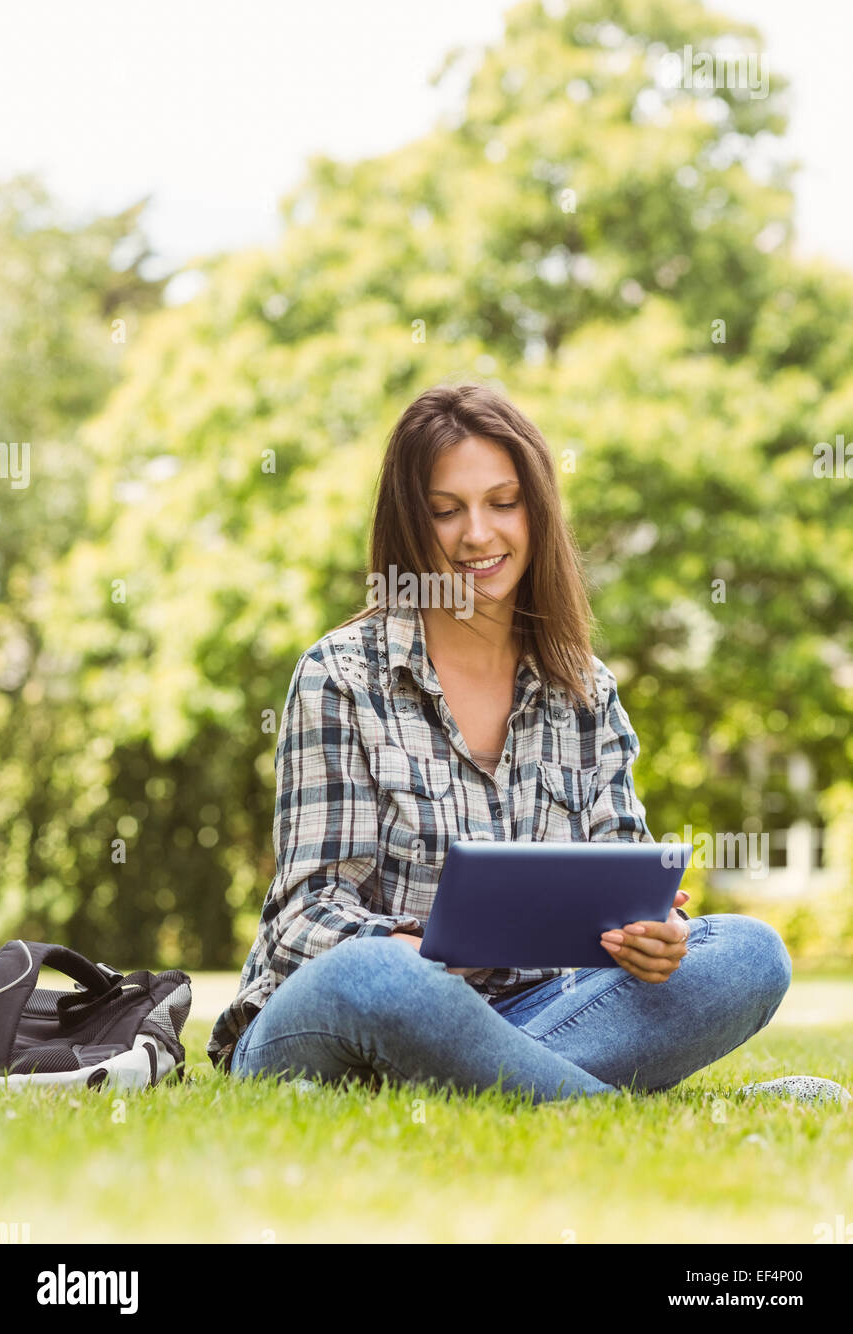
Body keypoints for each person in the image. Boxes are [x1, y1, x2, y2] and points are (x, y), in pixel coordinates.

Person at [207, 382, 844, 1107]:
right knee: (380, 976)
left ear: (536, 513)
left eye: (503, 503)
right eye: (446, 511)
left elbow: (622, 877)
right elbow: (305, 918)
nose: (478, 534)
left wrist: (657, 933)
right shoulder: (342, 675)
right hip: (336, 1024)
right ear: (410, 528)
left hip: (529, 1012)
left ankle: (496, 1082)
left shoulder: (584, 687)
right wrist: (426, 950)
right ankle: (616, 1110)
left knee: (748, 954)